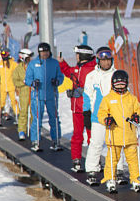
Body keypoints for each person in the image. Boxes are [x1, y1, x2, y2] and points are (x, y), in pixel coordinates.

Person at [97, 69, 140, 193]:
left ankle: (136, 180)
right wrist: (106, 119)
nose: (120, 87)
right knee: (112, 159)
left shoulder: (132, 98)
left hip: (130, 136)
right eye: (117, 84)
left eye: (122, 84)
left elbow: (139, 111)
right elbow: (101, 113)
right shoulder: (108, 99)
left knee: (133, 160)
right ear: (113, 84)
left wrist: (137, 117)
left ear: (126, 84)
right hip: (114, 135)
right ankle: (110, 180)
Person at [83, 47, 118, 185]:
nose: (106, 63)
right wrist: (86, 113)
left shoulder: (116, 74)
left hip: (114, 117)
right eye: (103, 60)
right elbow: (87, 95)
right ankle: (92, 169)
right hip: (98, 116)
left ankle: (117, 170)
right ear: (98, 61)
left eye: (108, 60)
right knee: (96, 143)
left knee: (115, 144)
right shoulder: (92, 76)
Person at [59, 44, 96, 172]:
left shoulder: (93, 70)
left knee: (91, 136)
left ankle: (93, 160)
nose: (76, 57)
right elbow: (68, 72)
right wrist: (62, 62)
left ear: (82, 55)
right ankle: (76, 159)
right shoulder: (77, 68)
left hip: (88, 109)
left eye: (77, 55)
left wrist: (82, 91)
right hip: (76, 108)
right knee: (77, 135)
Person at [24, 41, 64, 152]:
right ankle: (35, 140)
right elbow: (27, 79)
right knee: (37, 118)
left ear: (49, 52)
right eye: (42, 52)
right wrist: (33, 83)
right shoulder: (33, 64)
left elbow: (60, 77)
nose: (44, 54)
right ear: (39, 52)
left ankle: (56, 140)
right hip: (38, 95)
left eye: (46, 52)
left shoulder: (54, 63)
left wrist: (57, 81)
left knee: (54, 118)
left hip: (51, 94)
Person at [13, 47, 33, 141]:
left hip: (33, 91)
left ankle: (33, 130)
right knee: (23, 112)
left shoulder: (33, 66)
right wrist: (23, 82)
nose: (30, 59)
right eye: (29, 57)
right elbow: (15, 81)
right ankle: (21, 130)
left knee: (34, 112)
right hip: (24, 92)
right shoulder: (18, 68)